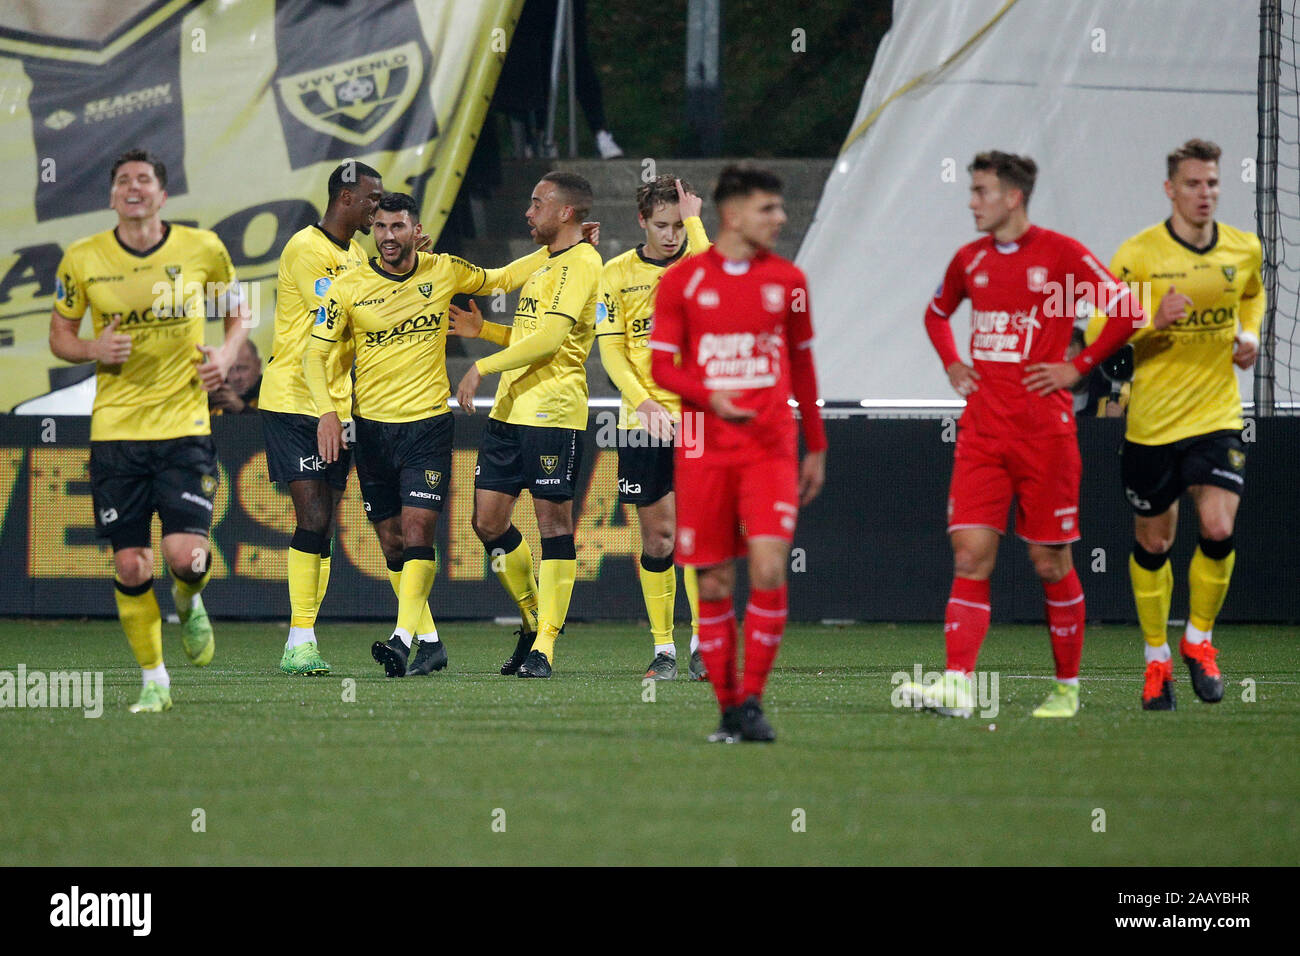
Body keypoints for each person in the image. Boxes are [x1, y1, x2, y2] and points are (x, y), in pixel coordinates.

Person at [901, 150, 1173, 720]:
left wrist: (1080, 368)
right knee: (971, 555)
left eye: (981, 191)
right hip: (981, 433)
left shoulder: (1062, 254)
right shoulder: (967, 259)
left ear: (1013, 197)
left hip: (1045, 437)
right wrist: (953, 364)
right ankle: (957, 685)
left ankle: (1067, 688)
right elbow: (934, 314)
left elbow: (1125, 311)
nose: (972, 201)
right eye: (972, 190)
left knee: (1050, 563)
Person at [307, 192, 550, 678]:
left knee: (419, 533)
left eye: (398, 227)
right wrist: (326, 413)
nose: (388, 237)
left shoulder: (445, 270)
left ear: (415, 230)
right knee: (393, 545)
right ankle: (432, 644)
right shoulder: (346, 286)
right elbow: (315, 353)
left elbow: (500, 279)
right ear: (371, 230)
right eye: (380, 227)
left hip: (427, 426)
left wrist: (559, 247)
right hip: (372, 430)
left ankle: (401, 639)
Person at [48, 148, 250, 713]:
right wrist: (92, 347)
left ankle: (188, 600)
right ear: (113, 196)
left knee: (188, 558)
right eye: (122, 181)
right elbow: (60, 335)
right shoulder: (83, 259)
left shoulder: (201, 249)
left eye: (143, 180)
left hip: (184, 422)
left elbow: (238, 314)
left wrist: (227, 354)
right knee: (131, 563)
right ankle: (155, 680)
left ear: (162, 195)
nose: (132, 187)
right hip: (115, 429)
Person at [649, 164, 828, 743]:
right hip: (704, 451)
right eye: (767, 209)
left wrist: (817, 445)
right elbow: (661, 367)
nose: (780, 218)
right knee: (716, 583)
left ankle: (751, 699)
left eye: (779, 208)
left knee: (771, 567)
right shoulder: (682, 284)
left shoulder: (790, 280)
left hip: (771, 447)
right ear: (732, 215)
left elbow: (802, 366)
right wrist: (711, 397)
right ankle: (730, 708)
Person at [1095, 139, 1264, 710]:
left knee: (1218, 528)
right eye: (1193, 184)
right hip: (1152, 425)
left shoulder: (1244, 249)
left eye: (1213, 183)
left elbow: (1251, 296)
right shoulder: (1138, 254)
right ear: (1170, 189)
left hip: (1216, 416)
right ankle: (1156, 660)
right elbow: (1099, 326)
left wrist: (1250, 336)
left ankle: (1198, 640)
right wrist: (1149, 318)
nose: (1205, 194)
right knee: (1155, 540)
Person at [451, 172, 603, 678]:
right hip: (509, 412)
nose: (527, 212)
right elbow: (502, 293)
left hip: (553, 413)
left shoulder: (584, 260)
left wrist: (480, 365)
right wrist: (484, 330)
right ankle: (534, 617)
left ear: (565, 212)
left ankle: (546, 647)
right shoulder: (545, 259)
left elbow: (552, 340)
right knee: (487, 522)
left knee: (554, 527)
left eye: (537, 203)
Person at [259, 160, 382, 676]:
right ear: (346, 198)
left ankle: (305, 633)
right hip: (295, 401)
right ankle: (299, 640)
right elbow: (346, 314)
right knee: (311, 516)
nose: (378, 208)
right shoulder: (305, 249)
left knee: (325, 520)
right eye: (373, 198)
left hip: (337, 404)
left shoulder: (354, 253)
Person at [597, 176, 707, 681]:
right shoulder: (616, 274)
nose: (672, 235)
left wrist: (696, 220)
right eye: (661, 225)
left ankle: (705, 644)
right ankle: (664, 648)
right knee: (658, 540)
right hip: (641, 422)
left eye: (678, 225)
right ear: (641, 221)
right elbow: (612, 350)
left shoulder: (698, 263)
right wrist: (641, 403)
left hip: (698, 418)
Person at [209, 339, 262, 414]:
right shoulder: (219, 392)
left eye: (242, 368)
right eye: (229, 369)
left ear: (258, 365)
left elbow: (273, 424)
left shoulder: (271, 391)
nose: (236, 377)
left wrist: (242, 409)